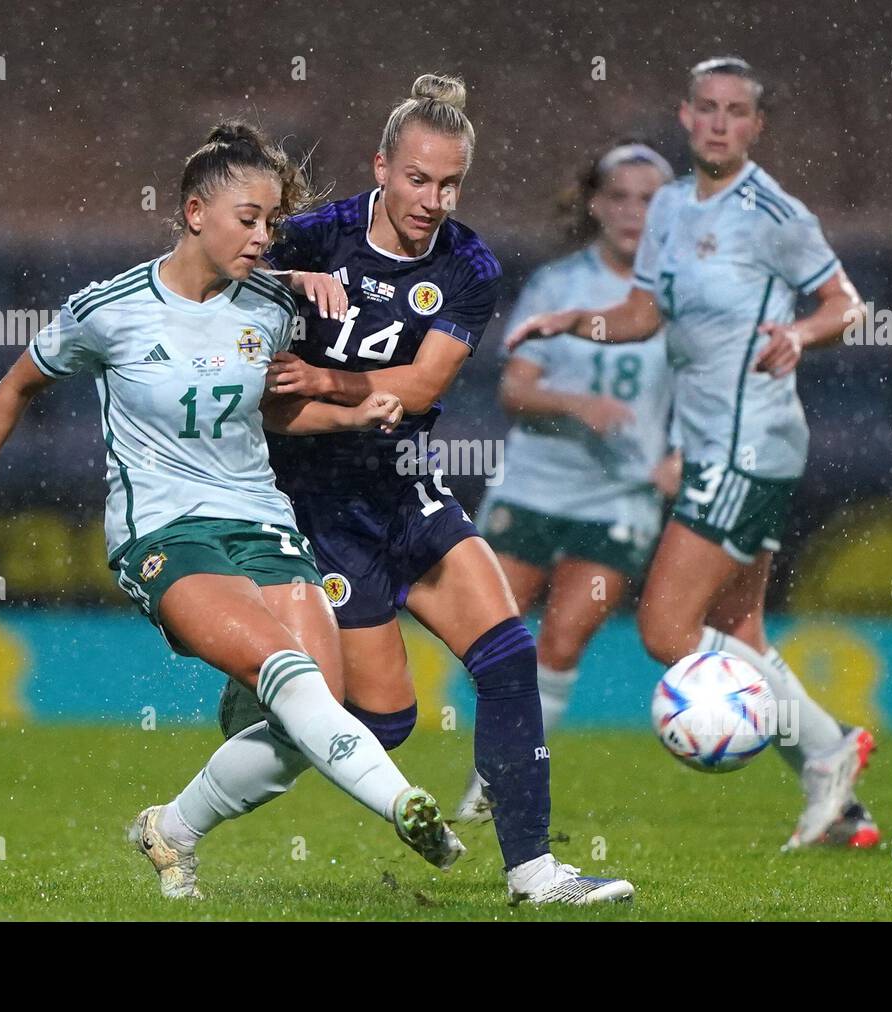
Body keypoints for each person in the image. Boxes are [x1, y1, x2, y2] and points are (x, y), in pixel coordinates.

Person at [0, 120, 466, 901]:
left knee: (315, 713)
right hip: (164, 529)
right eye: (248, 220)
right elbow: (15, 386)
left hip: (263, 521)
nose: (266, 238)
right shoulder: (111, 309)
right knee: (294, 681)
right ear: (195, 213)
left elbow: (273, 413)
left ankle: (171, 829)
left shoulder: (270, 306)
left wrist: (350, 412)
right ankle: (403, 804)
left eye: (273, 223)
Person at [203, 74, 634, 905]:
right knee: (388, 723)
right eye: (417, 179)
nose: (432, 199)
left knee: (509, 656)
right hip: (321, 506)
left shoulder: (469, 265)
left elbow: (424, 386)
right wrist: (289, 286)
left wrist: (327, 378)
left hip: (406, 485)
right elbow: (211, 276)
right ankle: (263, 698)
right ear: (382, 168)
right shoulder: (313, 236)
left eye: (449, 183)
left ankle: (534, 872)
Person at [506, 58, 879, 851]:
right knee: (737, 628)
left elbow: (845, 303)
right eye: (706, 108)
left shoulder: (774, 212)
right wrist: (575, 321)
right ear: (685, 116)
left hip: (750, 446)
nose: (718, 123)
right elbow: (643, 314)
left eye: (735, 111)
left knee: (665, 628)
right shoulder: (671, 206)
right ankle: (842, 806)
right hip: (713, 445)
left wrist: (802, 333)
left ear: (755, 125)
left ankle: (828, 748)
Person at [455, 140, 680, 822]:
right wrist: (579, 405)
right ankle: (497, 766)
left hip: (620, 497)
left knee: (559, 643)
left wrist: (683, 456)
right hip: (534, 486)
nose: (634, 212)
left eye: (651, 200)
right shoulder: (559, 285)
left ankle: (498, 787)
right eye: (621, 197)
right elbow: (515, 389)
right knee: (491, 639)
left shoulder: (685, 291)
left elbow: (716, 388)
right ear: (596, 204)